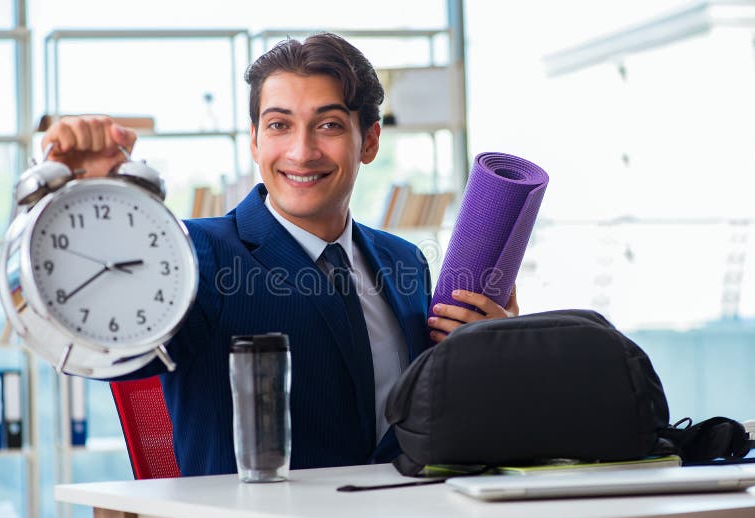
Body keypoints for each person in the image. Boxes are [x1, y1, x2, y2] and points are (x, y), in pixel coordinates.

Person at [42, 32, 518, 476]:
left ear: (369, 141)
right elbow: (104, 346)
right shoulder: (194, 254)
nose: (301, 151)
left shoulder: (405, 261)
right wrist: (82, 205)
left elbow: (422, 418)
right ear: (255, 140)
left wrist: (487, 352)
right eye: (279, 125)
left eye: (328, 125)